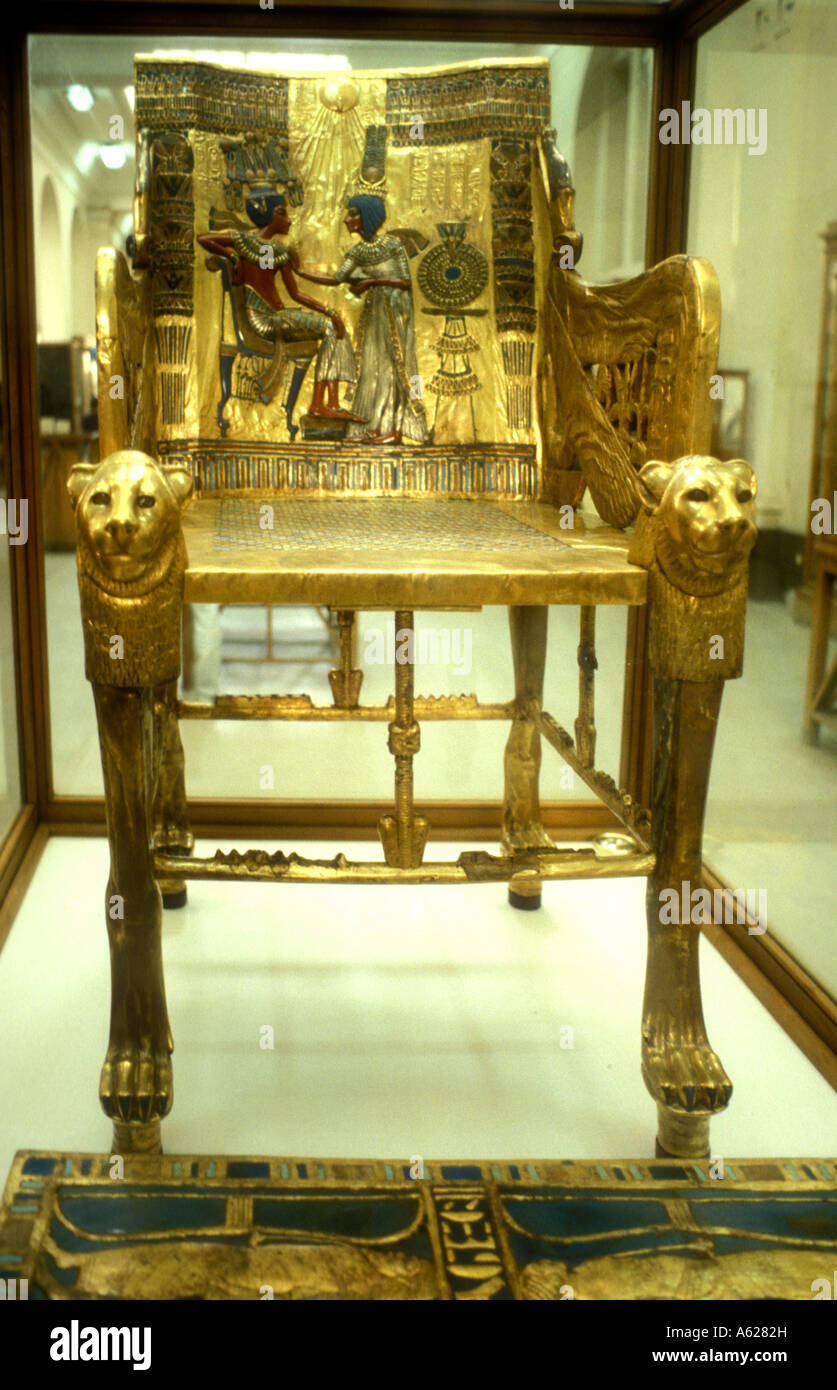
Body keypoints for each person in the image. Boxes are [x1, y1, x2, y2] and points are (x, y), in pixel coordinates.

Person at [197, 186, 362, 421]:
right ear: (270, 214)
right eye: (283, 213)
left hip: (267, 317)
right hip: (267, 320)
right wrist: (330, 313)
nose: (290, 220)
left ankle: (326, 403)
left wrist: (235, 255)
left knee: (331, 325)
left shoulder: (251, 243)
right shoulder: (267, 249)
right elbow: (203, 238)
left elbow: (206, 240)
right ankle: (325, 404)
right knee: (331, 329)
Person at [297, 196, 429, 445]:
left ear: (367, 217)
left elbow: (404, 281)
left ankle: (393, 429)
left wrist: (372, 281)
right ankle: (372, 428)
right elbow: (336, 279)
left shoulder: (393, 244)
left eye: (353, 214)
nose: (347, 219)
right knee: (371, 366)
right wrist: (300, 272)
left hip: (396, 311)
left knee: (393, 367)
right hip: (375, 312)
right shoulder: (358, 251)